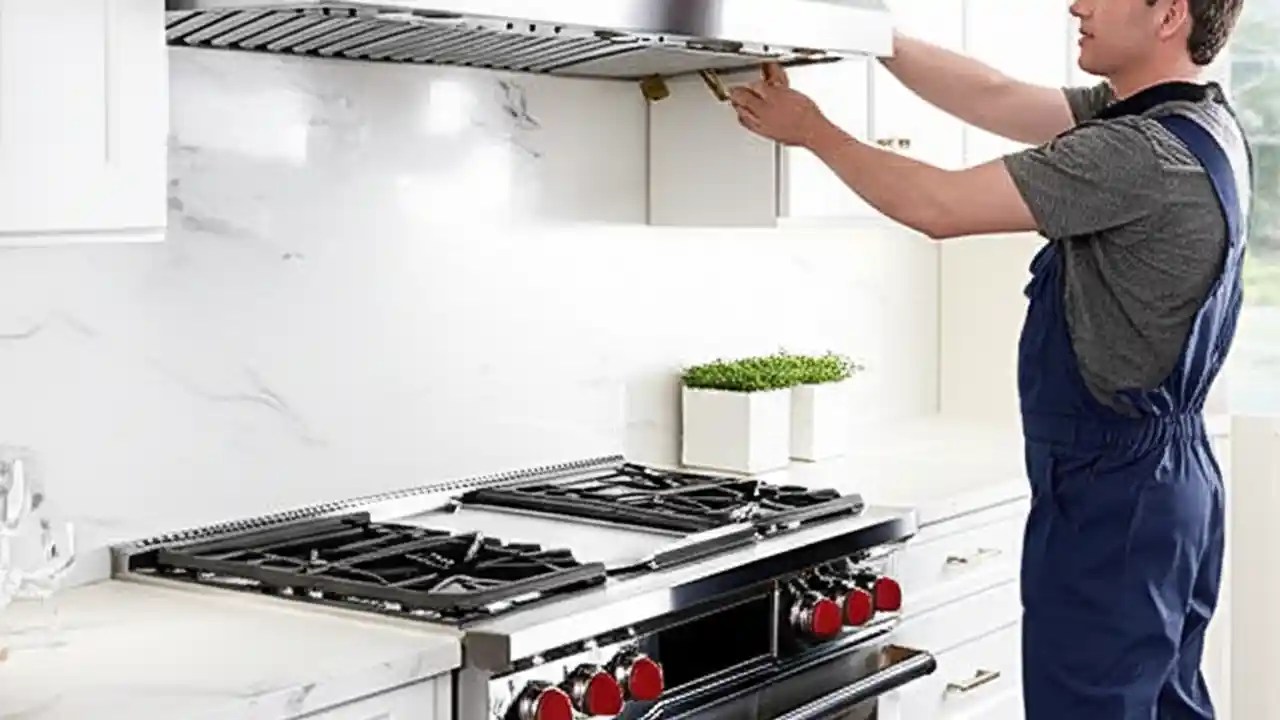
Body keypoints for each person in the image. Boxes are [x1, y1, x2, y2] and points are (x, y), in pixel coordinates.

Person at [728, 0, 1251, 717]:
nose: (1078, 4)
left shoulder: (1136, 153)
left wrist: (812, 131)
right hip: (1169, 486)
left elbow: (939, 206)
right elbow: (995, 96)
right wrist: (871, 34)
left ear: (1168, 16)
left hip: (1115, 492)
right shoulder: (1196, 123)